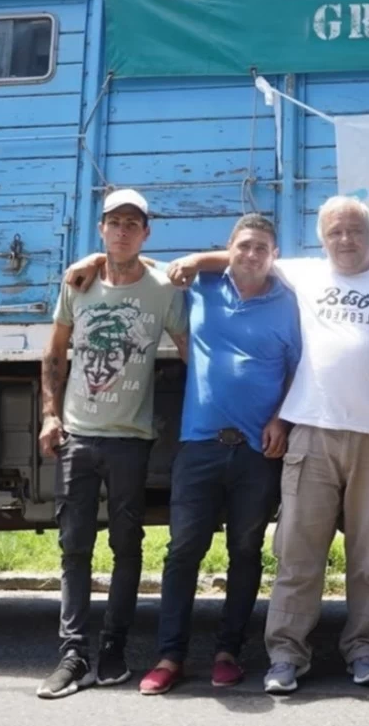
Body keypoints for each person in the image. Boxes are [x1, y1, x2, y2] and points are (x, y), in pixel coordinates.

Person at [166, 196, 369, 694]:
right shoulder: (308, 274)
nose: (345, 240)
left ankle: (364, 650)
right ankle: (286, 656)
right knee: (297, 553)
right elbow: (244, 256)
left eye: (354, 231)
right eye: (335, 232)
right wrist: (191, 261)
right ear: (322, 239)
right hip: (311, 434)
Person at [137, 215, 301, 694]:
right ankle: (170, 656)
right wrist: (88, 263)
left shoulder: (289, 302)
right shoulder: (203, 285)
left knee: (245, 551)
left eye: (263, 248)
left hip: (257, 449)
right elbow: (142, 264)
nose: (252, 255)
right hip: (200, 445)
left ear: (274, 255)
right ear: (229, 248)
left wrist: (282, 420)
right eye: (244, 245)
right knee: (184, 550)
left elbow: (299, 370)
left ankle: (229, 652)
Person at [35, 189, 189, 700]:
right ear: (101, 228)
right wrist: (50, 415)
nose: (122, 230)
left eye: (133, 223)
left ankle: (114, 649)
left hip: (131, 440)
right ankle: (72, 654)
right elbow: (55, 354)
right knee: (74, 546)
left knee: (127, 547)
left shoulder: (163, 287)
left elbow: (192, 351)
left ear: (146, 234)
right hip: (79, 436)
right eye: (113, 223)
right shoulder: (77, 284)